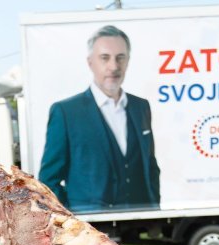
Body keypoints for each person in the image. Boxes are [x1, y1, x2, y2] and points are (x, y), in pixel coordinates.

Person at [38, 25, 160, 212]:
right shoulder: (66, 112)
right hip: (91, 224)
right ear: (90, 62)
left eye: (120, 57)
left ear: (128, 61)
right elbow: (48, 181)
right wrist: (72, 217)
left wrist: (154, 206)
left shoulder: (140, 107)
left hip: (140, 220)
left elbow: (150, 166)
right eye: (105, 58)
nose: (114, 66)